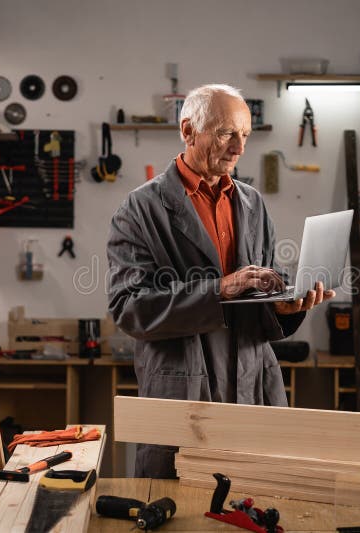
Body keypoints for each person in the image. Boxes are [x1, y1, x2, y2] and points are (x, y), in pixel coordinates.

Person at [106, 84, 335, 478]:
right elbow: (128, 309)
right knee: (175, 504)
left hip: (251, 380)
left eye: (245, 135)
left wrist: (283, 306)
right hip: (184, 385)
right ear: (188, 129)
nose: (239, 148)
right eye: (227, 133)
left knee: (256, 499)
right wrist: (218, 289)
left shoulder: (252, 202)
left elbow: (256, 296)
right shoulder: (141, 208)